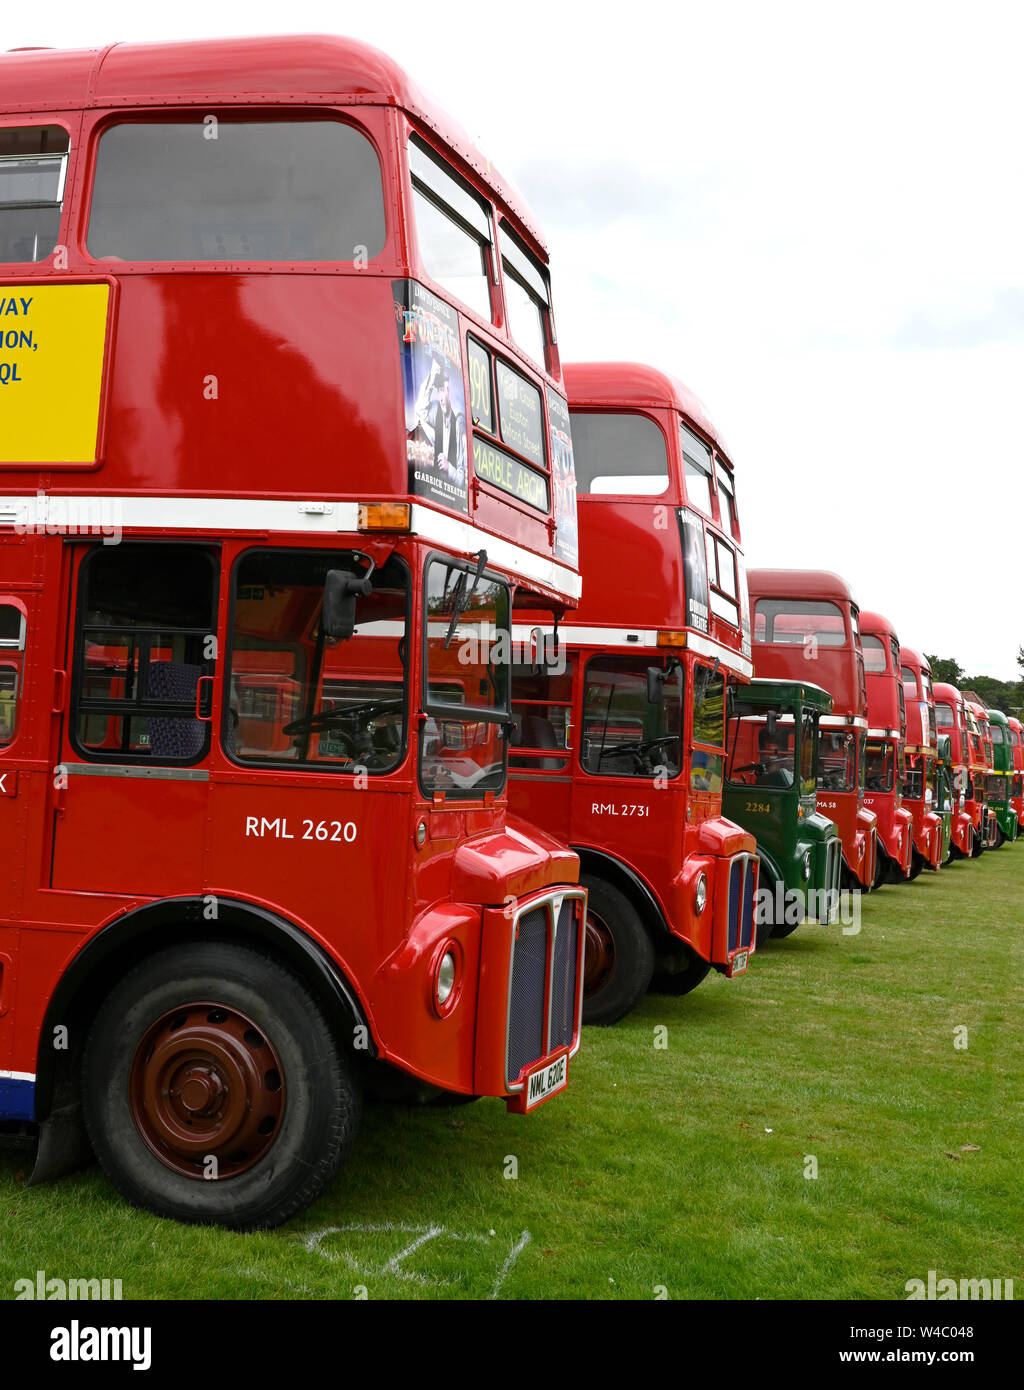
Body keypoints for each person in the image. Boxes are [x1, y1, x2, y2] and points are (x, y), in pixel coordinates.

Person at [415, 357, 466, 488]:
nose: (442, 398)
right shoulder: (435, 411)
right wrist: (432, 377)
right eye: (439, 392)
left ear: (450, 392)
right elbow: (419, 409)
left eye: (444, 391)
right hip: (429, 488)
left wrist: (449, 468)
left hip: (450, 498)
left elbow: (462, 479)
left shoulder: (458, 427)